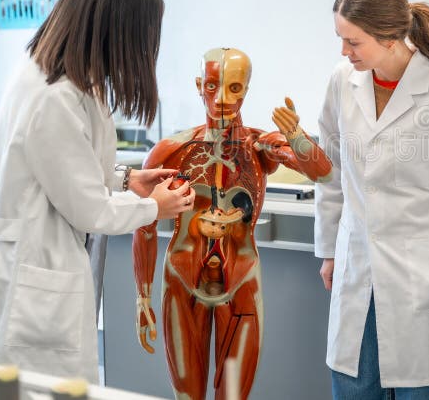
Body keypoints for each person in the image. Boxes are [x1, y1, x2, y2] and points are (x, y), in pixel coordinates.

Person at [0, 0, 195, 383]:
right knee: (29, 387)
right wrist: (152, 208)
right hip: (27, 285)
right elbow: (89, 210)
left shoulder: (55, 73)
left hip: (23, 268)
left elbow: (65, 170)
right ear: (116, 31)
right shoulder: (54, 96)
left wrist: (127, 180)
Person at [315, 0, 429, 400]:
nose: (343, 51)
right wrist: (331, 250)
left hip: (422, 279)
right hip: (358, 270)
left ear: (389, 38)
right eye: (341, 39)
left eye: (353, 42)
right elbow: (330, 169)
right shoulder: (342, 82)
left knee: (421, 388)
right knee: (354, 387)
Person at [132, 47, 332, 400]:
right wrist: (143, 294)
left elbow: (322, 172)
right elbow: (144, 224)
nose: (223, 98)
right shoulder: (171, 149)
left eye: (234, 88)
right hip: (181, 280)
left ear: (246, 89)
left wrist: (297, 135)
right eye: (212, 86)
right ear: (199, 85)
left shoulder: (260, 146)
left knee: (234, 396)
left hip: (241, 281)